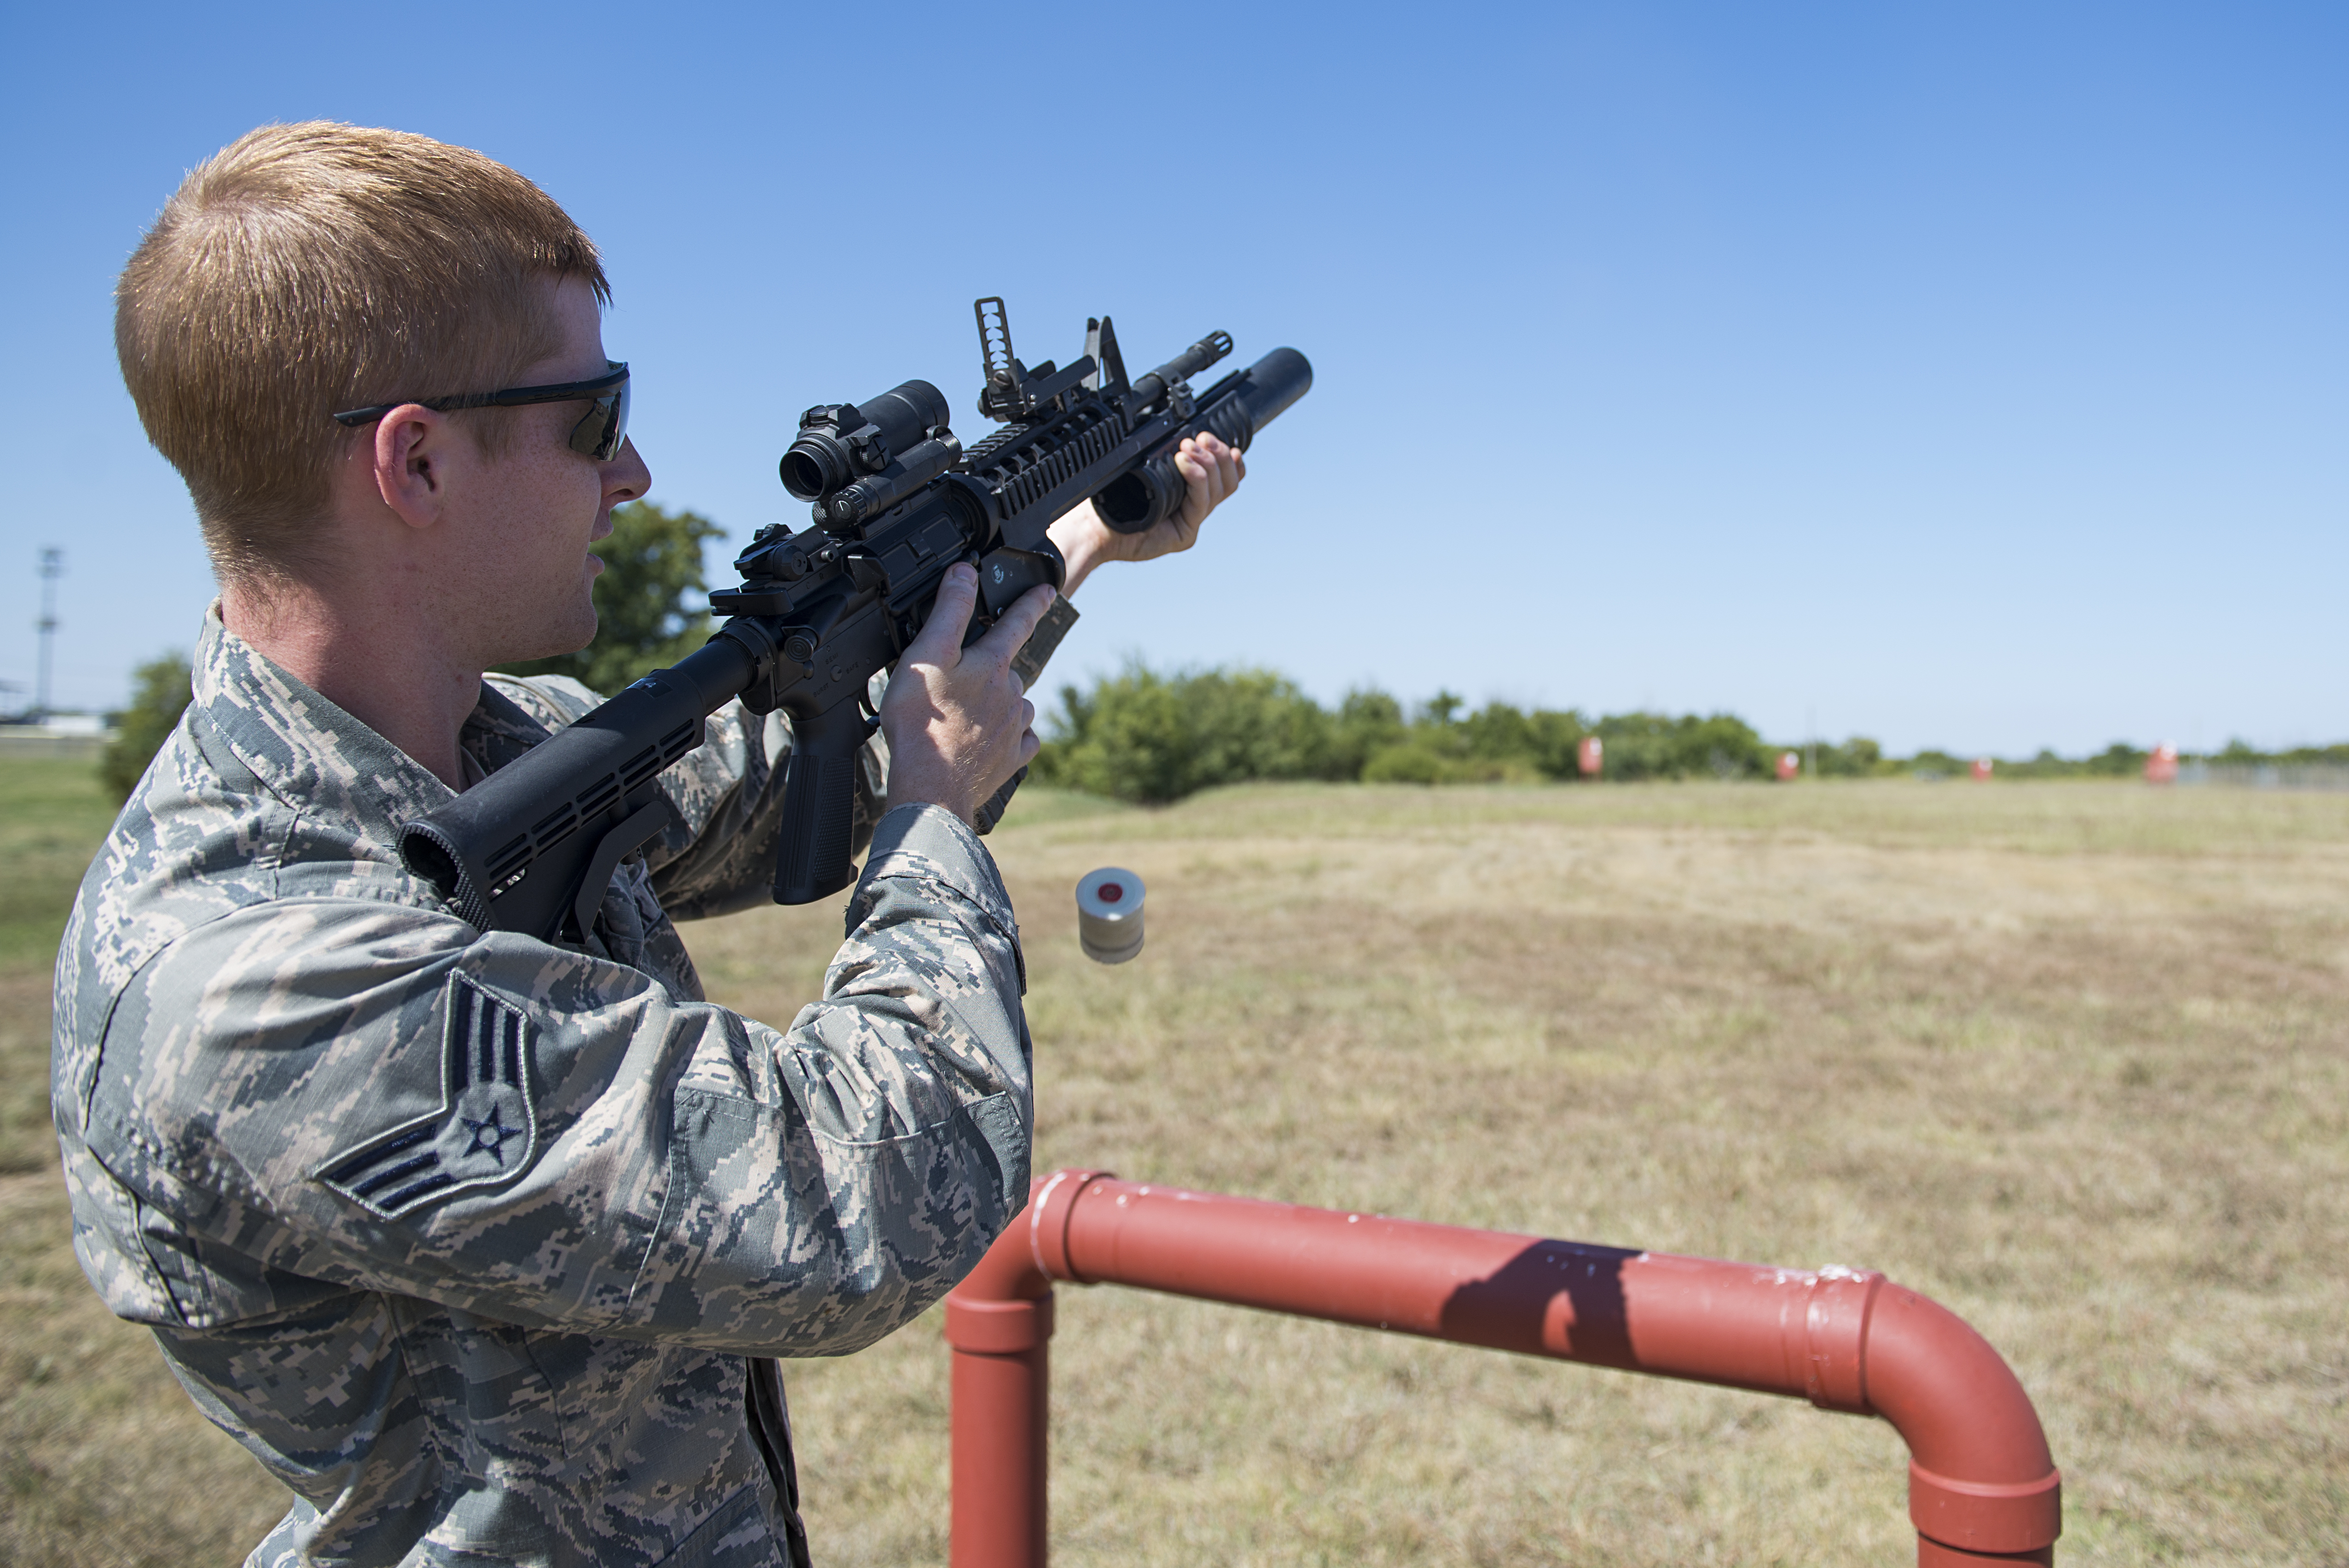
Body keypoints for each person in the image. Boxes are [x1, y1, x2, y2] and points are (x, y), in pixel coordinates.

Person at [58, 122, 1246, 1568]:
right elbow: (864, 1194)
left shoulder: (474, 757)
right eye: (592, 416)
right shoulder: (260, 976)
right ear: (415, 463)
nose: (632, 472)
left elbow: (794, 773)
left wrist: (1064, 552)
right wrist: (936, 825)